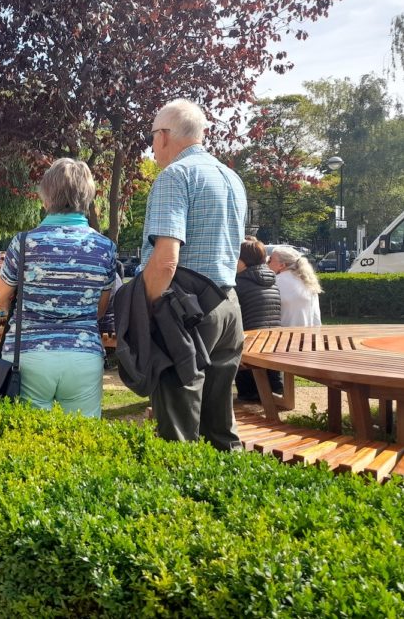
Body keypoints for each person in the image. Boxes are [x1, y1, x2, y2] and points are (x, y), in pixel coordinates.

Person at [137, 98, 247, 451]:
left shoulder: (175, 176)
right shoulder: (232, 178)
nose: (152, 147)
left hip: (187, 309)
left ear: (165, 136)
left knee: (178, 431)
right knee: (219, 427)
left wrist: (149, 310)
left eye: (153, 137)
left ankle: (178, 501)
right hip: (229, 306)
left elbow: (166, 260)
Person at [0, 157, 117, 418]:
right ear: (88, 196)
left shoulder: (24, 243)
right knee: (83, 442)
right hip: (83, 356)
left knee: (29, 443)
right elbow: (100, 309)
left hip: (27, 357)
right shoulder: (104, 247)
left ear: (46, 197)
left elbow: (0, 299)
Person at [234, 238, 283, 401]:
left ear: (244, 261)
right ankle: (277, 389)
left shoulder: (239, 283)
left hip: (249, 342)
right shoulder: (271, 281)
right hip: (272, 341)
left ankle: (249, 393)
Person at [267, 246, 322, 326]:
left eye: (270, 260)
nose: (267, 263)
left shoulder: (274, 282)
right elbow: (316, 318)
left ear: (281, 265)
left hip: (283, 336)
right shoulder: (308, 281)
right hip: (308, 335)